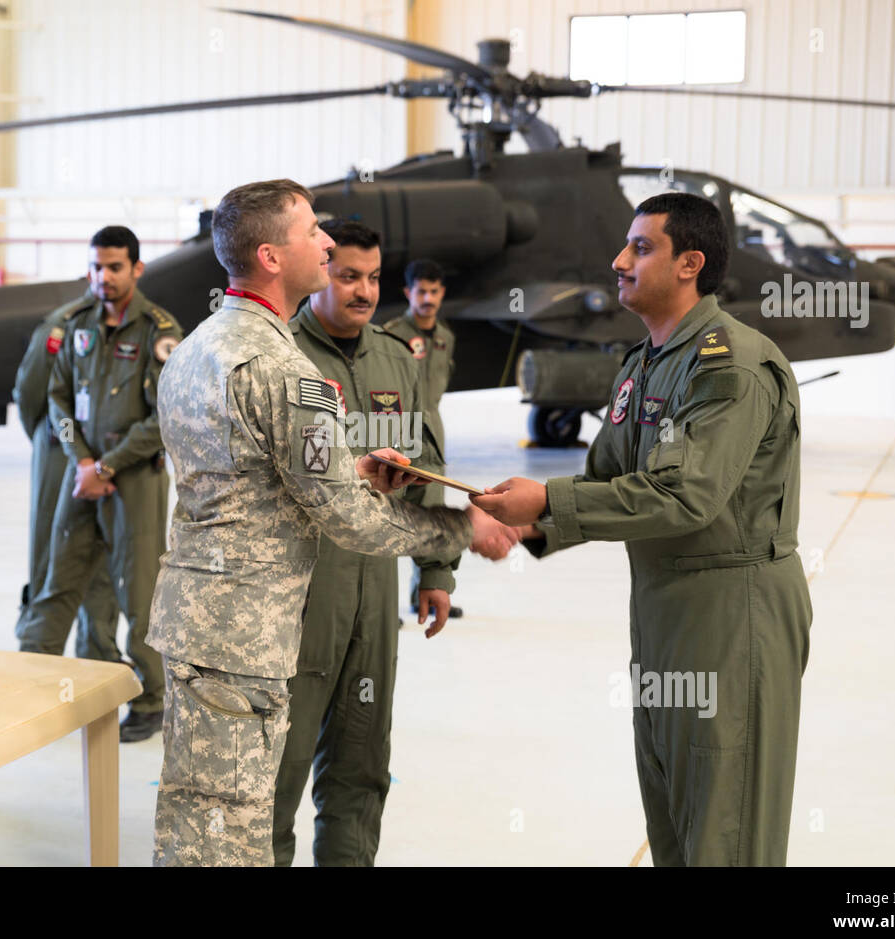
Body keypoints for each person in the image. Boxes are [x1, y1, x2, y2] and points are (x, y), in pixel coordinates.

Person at [150, 179, 504, 867]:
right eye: (313, 232)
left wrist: (355, 471)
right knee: (242, 832)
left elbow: (242, 477)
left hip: (193, 621)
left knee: (195, 819)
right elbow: (347, 520)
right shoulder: (290, 372)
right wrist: (461, 531)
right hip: (251, 636)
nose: (324, 241)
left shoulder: (195, 348)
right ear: (273, 257)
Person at [472, 192, 811, 866]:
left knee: (724, 824)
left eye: (641, 247)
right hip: (663, 607)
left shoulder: (729, 366)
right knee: (673, 812)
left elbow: (688, 498)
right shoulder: (644, 366)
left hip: (732, 609)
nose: (619, 261)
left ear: (691, 263)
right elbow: (602, 481)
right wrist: (516, 519)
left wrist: (549, 501)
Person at [272, 220, 517, 866]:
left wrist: (437, 570)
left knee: (361, 762)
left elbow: (425, 467)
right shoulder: (282, 356)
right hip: (302, 590)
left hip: (374, 588)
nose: (363, 290)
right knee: (279, 775)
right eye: (347, 275)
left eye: (374, 277)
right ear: (320, 271)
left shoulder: (393, 358)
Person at [15, 226, 182, 743]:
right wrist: (81, 460)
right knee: (56, 580)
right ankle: (34, 685)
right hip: (81, 475)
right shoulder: (77, 326)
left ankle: (152, 699)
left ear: (136, 269)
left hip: (132, 479)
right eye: (95, 267)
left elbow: (165, 418)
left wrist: (106, 466)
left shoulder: (160, 330)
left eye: (113, 267)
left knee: (138, 595)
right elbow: (57, 400)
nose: (102, 277)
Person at [13, 291, 121, 666]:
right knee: (51, 558)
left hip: (111, 458)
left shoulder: (138, 324)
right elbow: (30, 395)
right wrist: (53, 449)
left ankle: (97, 661)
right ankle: (37, 662)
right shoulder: (63, 324)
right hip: (61, 454)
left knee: (105, 564)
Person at [383, 260, 461, 618]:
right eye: (421, 291)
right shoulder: (391, 334)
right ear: (408, 293)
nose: (428, 299)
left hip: (433, 433)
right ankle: (381, 603)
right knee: (387, 511)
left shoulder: (445, 338)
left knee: (430, 513)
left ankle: (425, 591)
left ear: (442, 293)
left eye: (434, 291)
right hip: (397, 432)